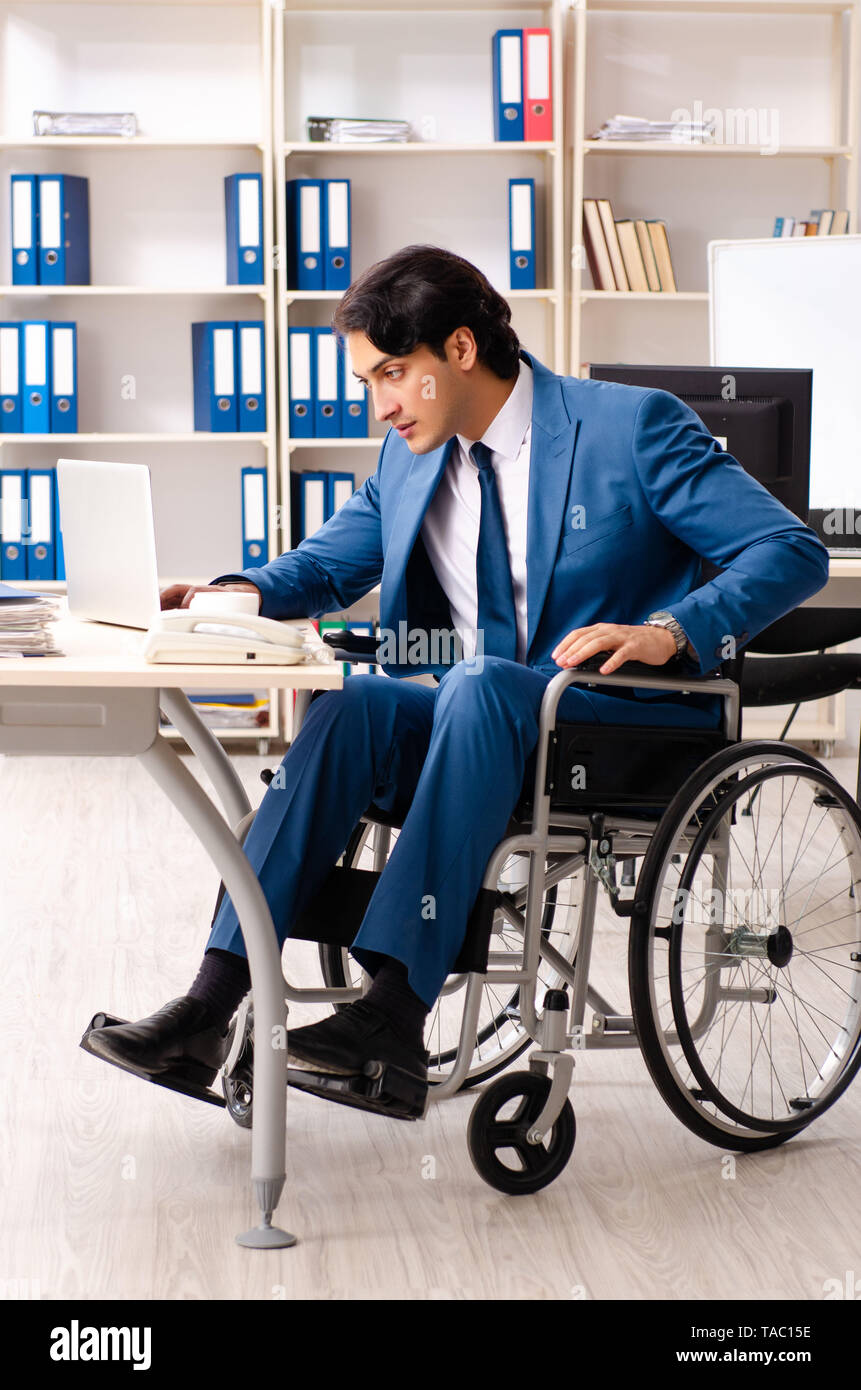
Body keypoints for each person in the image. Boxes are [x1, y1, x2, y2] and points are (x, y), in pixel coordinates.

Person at [85, 243, 829, 1109]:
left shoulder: (630, 427)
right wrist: (232, 595)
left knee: (475, 682)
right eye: (370, 381)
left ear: (462, 351)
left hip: (612, 726)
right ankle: (208, 1010)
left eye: (392, 374)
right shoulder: (412, 455)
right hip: (478, 732)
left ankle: (394, 1015)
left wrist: (670, 629)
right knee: (354, 700)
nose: (379, 406)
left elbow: (789, 549)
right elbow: (330, 564)